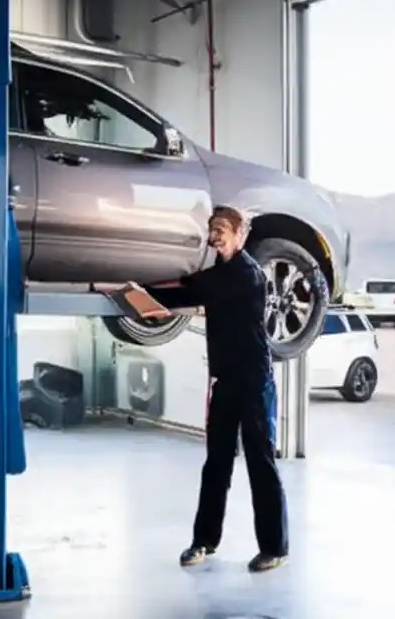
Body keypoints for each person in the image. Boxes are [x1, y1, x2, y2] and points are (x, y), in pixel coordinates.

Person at [120, 205, 288, 573]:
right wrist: (139, 295)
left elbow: (192, 289)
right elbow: (191, 289)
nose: (215, 236)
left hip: (255, 382)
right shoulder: (220, 275)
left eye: (222, 229)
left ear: (241, 235)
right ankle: (203, 541)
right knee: (216, 465)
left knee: (261, 464)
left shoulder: (247, 275)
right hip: (226, 381)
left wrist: (138, 292)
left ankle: (275, 547)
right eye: (212, 229)